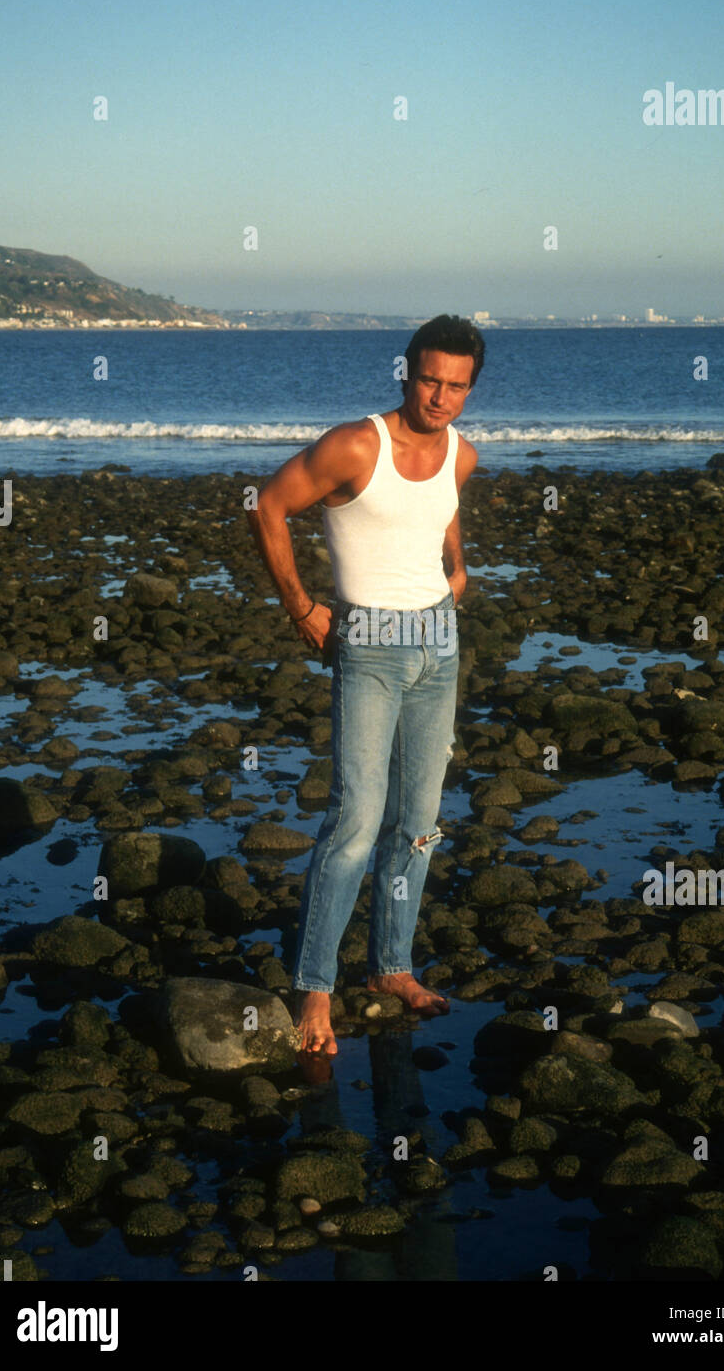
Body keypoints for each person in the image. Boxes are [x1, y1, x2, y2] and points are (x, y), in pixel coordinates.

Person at [248, 314, 484, 1054]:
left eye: (457, 386)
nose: (440, 398)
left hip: (438, 640)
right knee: (355, 822)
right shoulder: (357, 445)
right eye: (429, 380)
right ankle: (313, 988)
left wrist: (456, 565)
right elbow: (270, 505)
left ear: (470, 387)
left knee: (418, 825)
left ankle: (392, 968)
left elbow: (443, 512)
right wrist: (301, 608)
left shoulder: (463, 453)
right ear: (404, 372)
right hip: (372, 642)